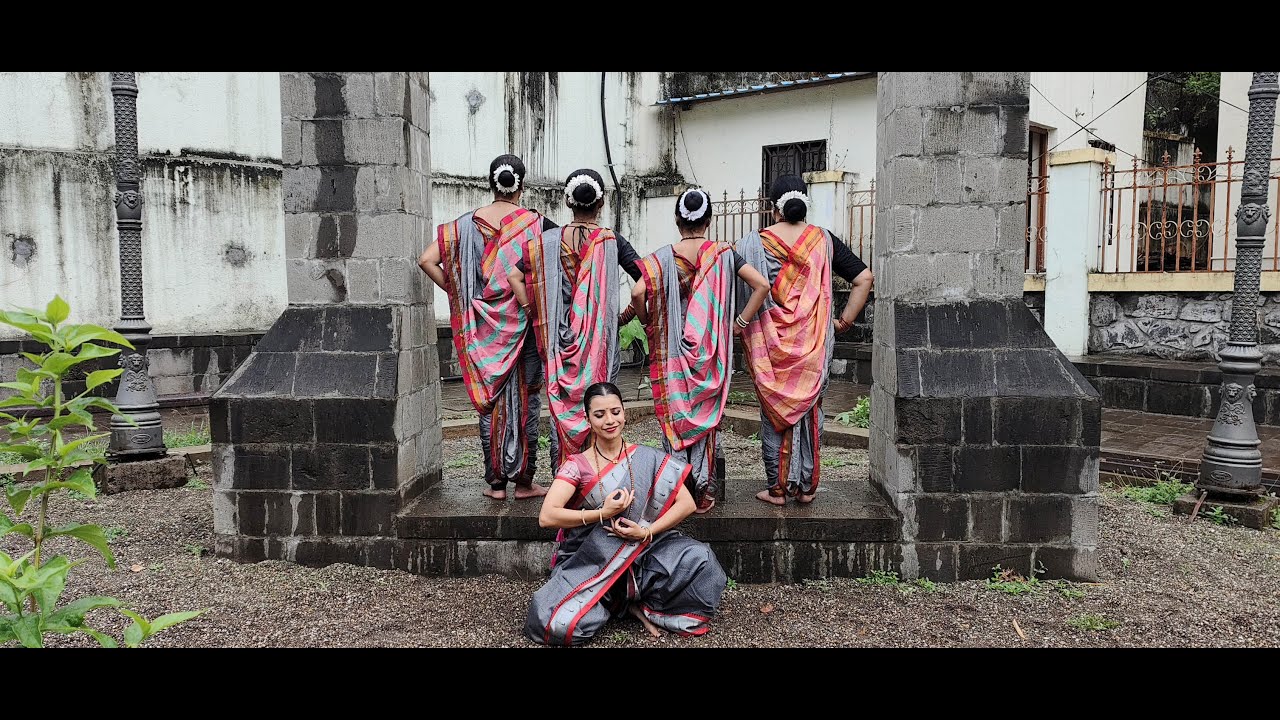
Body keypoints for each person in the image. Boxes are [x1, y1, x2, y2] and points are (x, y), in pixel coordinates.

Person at [525, 382, 727, 646]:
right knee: (558, 626)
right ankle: (619, 602)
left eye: (615, 412)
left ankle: (640, 604)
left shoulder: (646, 456)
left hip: (642, 551)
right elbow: (547, 517)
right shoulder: (578, 465)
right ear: (587, 418)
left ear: (624, 412)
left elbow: (687, 504)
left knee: (702, 560)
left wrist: (646, 531)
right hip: (592, 560)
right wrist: (602, 513)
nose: (610, 420)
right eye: (599, 415)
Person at [417, 154, 555, 500]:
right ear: (521, 187)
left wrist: (459, 291)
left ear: (490, 184)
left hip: (482, 329)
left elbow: (426, 260)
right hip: (525, 327)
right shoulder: (538, 224)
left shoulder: (464, 226)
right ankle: (524, 482)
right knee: (528, 397)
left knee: (489, 400)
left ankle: (495, 484)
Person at [734, 174, 874, 506]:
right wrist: (844, 321)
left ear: (772, 209)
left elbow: (734, 284)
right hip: (812, 347)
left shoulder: (752, 243)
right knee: (810, 410)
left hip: (768, 347)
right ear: (805, 204)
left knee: (773, 411)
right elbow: (864, 277)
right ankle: (807, 487)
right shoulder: (823, 241)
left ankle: (778, 489)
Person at [629, 187, 771, 513]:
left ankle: (677, 489)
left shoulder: (662, 257)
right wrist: (739, 322)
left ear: (678, 219)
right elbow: (762, 285)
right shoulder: (723, 253)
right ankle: (705, 488)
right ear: (709, 220)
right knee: (706, 421)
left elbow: (638, 293)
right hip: (712, 350)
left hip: (672, 352)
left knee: (675, 419)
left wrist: (649, 321)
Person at [509, 169, 643, 467]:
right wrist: (625, 317)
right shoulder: (611, 241)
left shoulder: (546, 241)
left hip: (557, 339)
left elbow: (515, 276)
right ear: (602, 203)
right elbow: (646, 282)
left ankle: (564, 476)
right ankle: (599, 474)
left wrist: (535, 312)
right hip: (599, 343)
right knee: (602, 404)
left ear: (568, 202)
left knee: (561, 404)